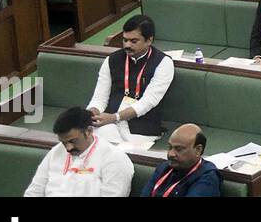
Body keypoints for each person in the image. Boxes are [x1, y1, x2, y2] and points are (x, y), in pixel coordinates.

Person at [83, 14, 174, 142]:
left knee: (115, 149)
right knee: (92, 139)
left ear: (149, 40)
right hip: (109, 122)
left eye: (133, 41)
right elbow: (99, 98)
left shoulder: (164, 63)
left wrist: (115, 117)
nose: (127, 45)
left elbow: (148, 102)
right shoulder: (112, 60)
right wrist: (93, 112)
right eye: (125, 40)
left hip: (141, 126)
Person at [24, 106, 134, 197]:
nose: (68, 148)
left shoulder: (114, 159)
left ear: (89, 131)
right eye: (63, 142)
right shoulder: (57, 151)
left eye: (73, 141)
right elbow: (34, 191)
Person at [139, 124, 221, 197]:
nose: (171, 154)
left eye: (178, 149)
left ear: (198, 150)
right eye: (170, 147)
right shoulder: (164, 167)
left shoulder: (207, 177)